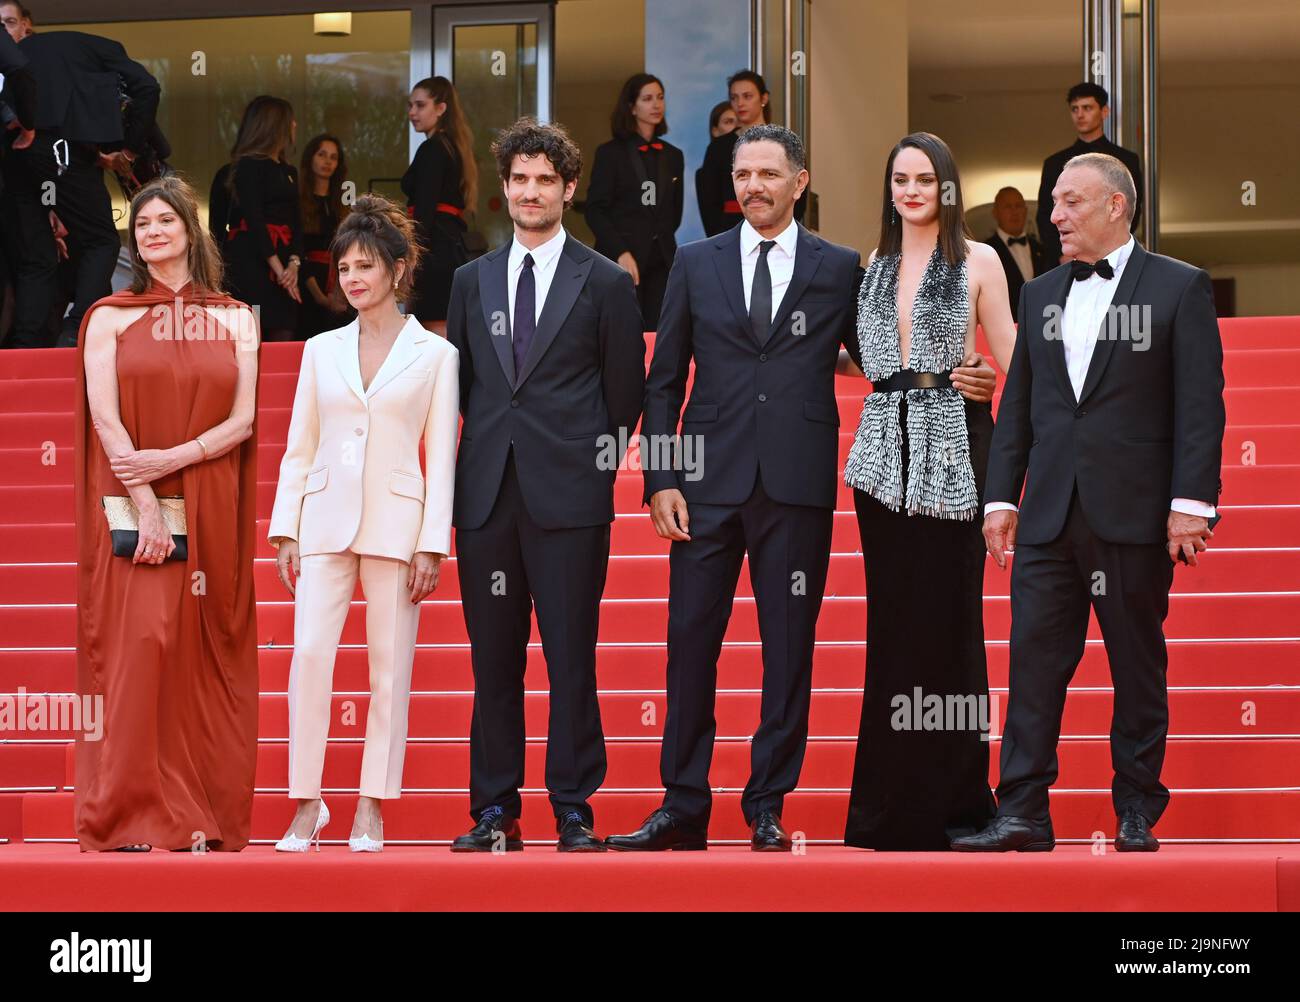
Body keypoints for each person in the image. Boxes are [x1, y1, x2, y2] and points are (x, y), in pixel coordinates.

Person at [952, 153, 1225, 853]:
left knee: (1136, 663)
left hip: (1133, 514)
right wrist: (998, 500)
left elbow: (1200, 408)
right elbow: (1021, 408)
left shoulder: (1179, 288)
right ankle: (1022, 812)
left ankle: (1136, 805)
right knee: (1033, 663)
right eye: (1054, 205)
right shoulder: (1040, 293)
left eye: (1071, 203)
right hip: (1047, 512)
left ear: (1116, 207)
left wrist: (1190, 503)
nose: (1055, 216)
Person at [605, 125, 858, 853]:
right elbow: (664, 379)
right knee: (689, 645)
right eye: (743, 173)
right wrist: (660, 479)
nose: (752, 186)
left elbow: (872, 355)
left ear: (799, 182)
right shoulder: (697, 261)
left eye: (768, 174)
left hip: (796, 485)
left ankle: (768, 804)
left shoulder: (839, 266)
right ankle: (682, 806)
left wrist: (942, 368)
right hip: (705, 485)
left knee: (789, 649)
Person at [446, 118, 645, 853]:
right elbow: (462, 388)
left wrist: (582, 468)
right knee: (492, 660)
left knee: (571, 656)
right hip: (488, 497)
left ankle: (572, 806)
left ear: (568, 189)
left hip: (569, 501)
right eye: (519, 180)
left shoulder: (604, 282)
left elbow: (625, 396)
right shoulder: (471, 281)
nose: (531, 193)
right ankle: (494, 808)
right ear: (505, 190)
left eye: (545, 181)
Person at [268, 195, 459, 853]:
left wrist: (434, 542)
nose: (352, 278)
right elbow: (300, 443)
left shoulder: (436, 356)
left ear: (397, 270)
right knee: (309, 661)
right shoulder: (319, 349)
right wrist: (286, 527)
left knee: (389, 667)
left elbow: (443, 453)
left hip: (398, 525)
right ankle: (306, 803)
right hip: (322, 519)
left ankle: (371, 805)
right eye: (344, 267)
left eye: (365, 266)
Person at [74, 174, 260, 851]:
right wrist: (148, 499)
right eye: (142, 226)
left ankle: (198, 813)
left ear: (190, 229)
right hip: (134, 508)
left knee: (198, 656)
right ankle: (127, 814)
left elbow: (242, 423)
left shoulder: (237, 316)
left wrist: (172, 459)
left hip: (211, 501)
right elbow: (105, 417)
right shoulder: (109, 316)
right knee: (142, 648)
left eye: (165, 222)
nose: (153, 233)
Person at [839, 133, 1013, 850]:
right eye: (900, 179)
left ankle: (958, 803)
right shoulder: (873, 265)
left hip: (956, 450)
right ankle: (890, 807)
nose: (911, 191)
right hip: (881, 457)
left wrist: (986, 380)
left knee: (949, 628)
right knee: (894, 630)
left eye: (925, 178)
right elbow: (868, 364)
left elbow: (1012, 355)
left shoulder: (980, 260)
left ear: (947, 185)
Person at [6, 17, 159, 347]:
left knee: (37, 255)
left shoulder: (22, 53)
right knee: (101, 240)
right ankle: (76, 329)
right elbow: (149, 88)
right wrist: (128, 151)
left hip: (17, 151)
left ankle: (23, 344)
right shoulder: (104, 51)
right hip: (65, 151)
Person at [584, 72, 684, 330]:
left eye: (660, 98)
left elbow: (674, 213)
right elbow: (595, 210)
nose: (656, 104)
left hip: (662, 261)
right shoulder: (610, 154)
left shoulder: (674, 155)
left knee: (663, 333)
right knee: (622, 332)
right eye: (647, 98)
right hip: (621, 260)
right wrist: (621, 252)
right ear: (632, 107)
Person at [209, 95, 303, 342]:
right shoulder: (247, 167)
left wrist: (294, 264)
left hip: (284, 264)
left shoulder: (289, 172)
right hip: (250, 263)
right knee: (251, 335)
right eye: (290, 121)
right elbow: (254, 220)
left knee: (285, 330)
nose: (294, 125)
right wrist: (279, 269)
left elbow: (296, 222)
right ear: (275, 125)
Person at [1036, 82, 1142, 265]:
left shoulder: (1127, 160)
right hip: (1065, 261)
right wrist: (1061, 254)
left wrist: (1114, 249)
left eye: (1087, 108)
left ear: (1104, 112)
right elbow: (1046, 214)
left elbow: (1132, 209)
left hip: (1114, 257)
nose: (1080, 114)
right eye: (1074, 109)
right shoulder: (1054, 163)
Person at [402, 76, 477, 328]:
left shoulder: (433, 149)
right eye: (410, 105)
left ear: (441, 108)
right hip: (445, 247)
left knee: (434, 327)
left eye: (420, 105)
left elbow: (423, 210)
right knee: (439, 324)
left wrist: (412, 257)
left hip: (433, 250)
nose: (412, 112)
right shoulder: (450, 146)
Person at [696, 70, 805, 237]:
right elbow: (709, 203)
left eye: (747, 96)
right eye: (734, 97)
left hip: (778, 232)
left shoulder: (786, 143)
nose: (740, 103)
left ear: (763, 98)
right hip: (729, 233)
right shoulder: (718, 148)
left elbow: (798, 195)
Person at [296, 133, 353, 338]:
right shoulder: (297, 200)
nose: (328, 161)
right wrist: (319, 296)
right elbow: (297, 251)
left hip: (339, 283)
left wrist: (339, 290)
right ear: (310, 158)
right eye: (322, 155)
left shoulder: (343, 202)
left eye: (333, 157)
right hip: (307, 283)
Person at [983, 185, 1048, 307]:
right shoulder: (985, 252)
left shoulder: (1042, 249)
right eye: (1008, 207)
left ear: (1025, 210)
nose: (1014, 212)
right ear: (995, 213)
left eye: (1018, 206)